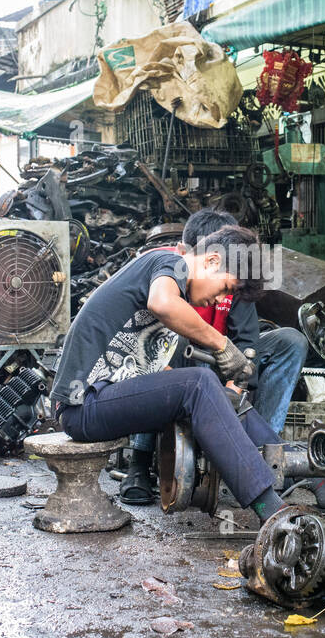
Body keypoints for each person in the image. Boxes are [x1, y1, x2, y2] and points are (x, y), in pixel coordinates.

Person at [51, 224, 287, 523]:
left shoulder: (173, 285)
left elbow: (152, 369)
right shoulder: (169, 262)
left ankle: (306, 475)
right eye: (226, 288)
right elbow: (161, 304)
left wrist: (222, 399)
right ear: (212, 260)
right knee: (199, 383)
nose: (219, 300)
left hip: (101, 399)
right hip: (80, 405)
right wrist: (221, 344)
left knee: (222, 397)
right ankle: (270, 509)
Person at [118, 210, 308, 505]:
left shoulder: (232, 274)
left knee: (290, 342)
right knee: (164, 345)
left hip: (219, 359)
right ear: (198, 255)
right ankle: (139, 463)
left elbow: (246, 340)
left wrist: (236, 386)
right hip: (174, 361)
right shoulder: (165, 267)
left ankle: (270, 457)